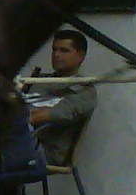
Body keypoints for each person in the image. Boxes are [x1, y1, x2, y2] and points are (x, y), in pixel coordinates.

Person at [26, 29, 97, 166]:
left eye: (64, 50)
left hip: (44, 152)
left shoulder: (84, 90)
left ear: (80, 55)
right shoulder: (40, 80)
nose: (56, 55)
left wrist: (12, 119)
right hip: (17, 142)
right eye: (54, 50)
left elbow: (50, 115)